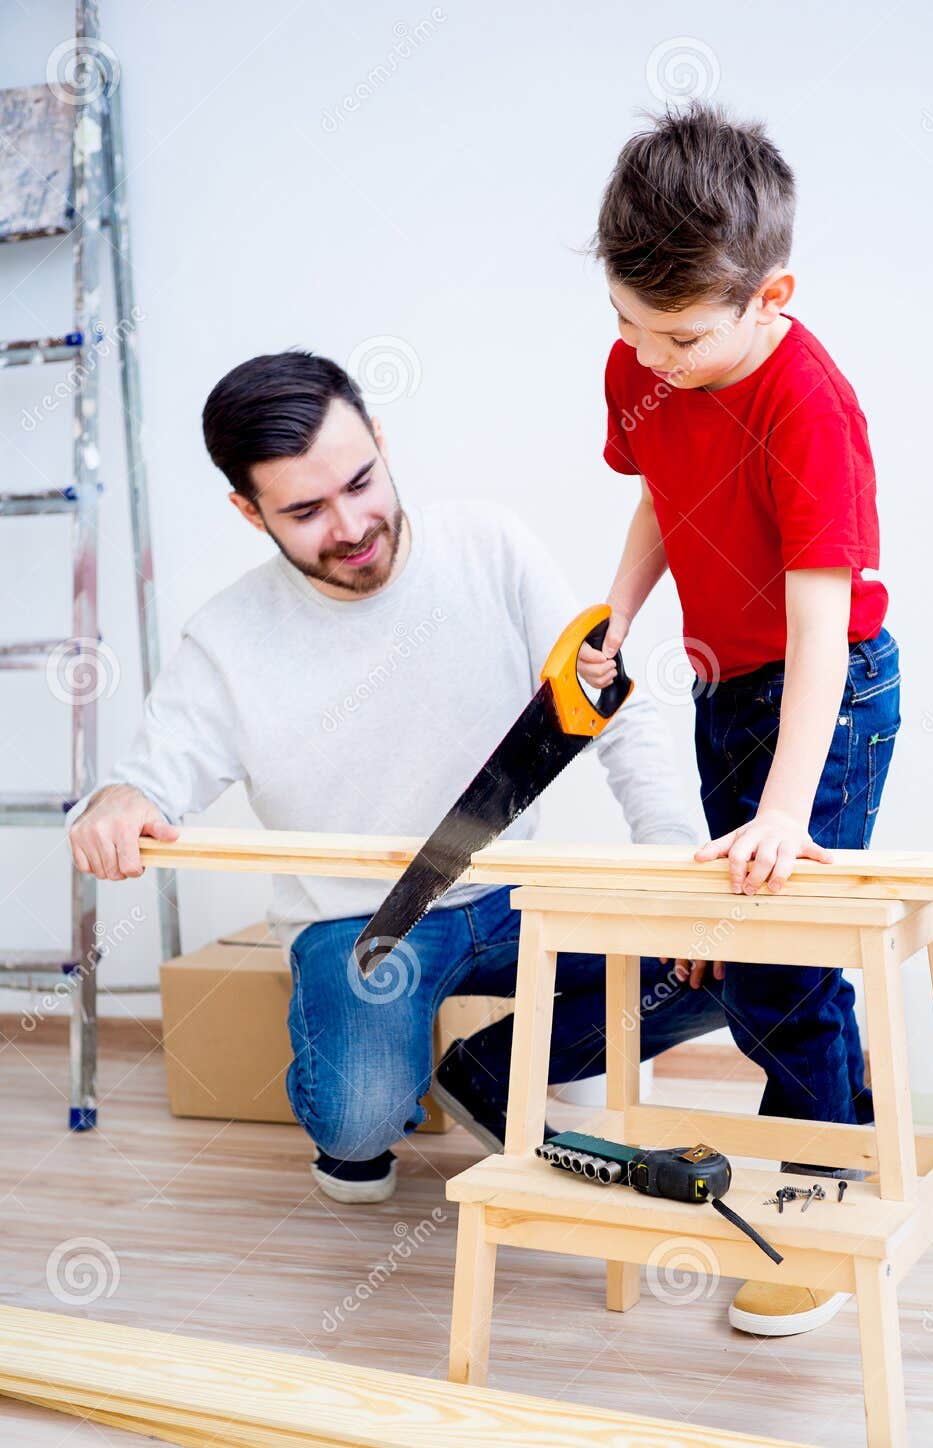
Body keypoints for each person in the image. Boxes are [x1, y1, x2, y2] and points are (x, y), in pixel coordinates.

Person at [68, 350, 726, 1205]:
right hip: (363, 921)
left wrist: (671, 862)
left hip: (512, 892)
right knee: (362, 1119)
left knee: (734, 966)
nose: (349, 526)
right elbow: (144, 783)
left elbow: (616, 708)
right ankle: (364, 1118)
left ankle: (492, 1072)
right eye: (304, 510)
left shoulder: (488, 545)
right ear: (247, 509)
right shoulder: (226, 638)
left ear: (380, 440)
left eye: (360, 482)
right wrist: (119, 803)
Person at [578, 105, 901, 1337]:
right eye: (622, 322)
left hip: (829, 692)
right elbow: (660, 494)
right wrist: (614, 617)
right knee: (753, 952)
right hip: (723, 681)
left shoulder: (809, 407)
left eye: (677, 334)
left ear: (773, 295)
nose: (646, 356)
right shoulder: (643, 362)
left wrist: (780, 809)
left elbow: (823, 628)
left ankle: (822, 1205)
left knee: (785, 955)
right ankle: (806, 1162)